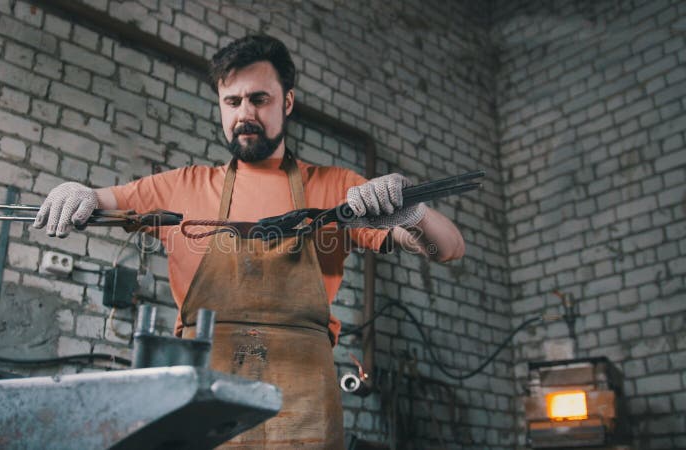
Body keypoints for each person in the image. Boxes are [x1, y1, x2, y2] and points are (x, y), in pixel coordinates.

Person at [34, 35, 464, 449]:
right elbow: (100, 201)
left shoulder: (336, 188)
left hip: (305, 410)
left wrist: (413, 212)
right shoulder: (181, 186)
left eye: (259, 99)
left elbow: (449, 248)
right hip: (201, 407)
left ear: (287, 102)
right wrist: (80, 193)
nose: (245, 113)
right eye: (232, 101)